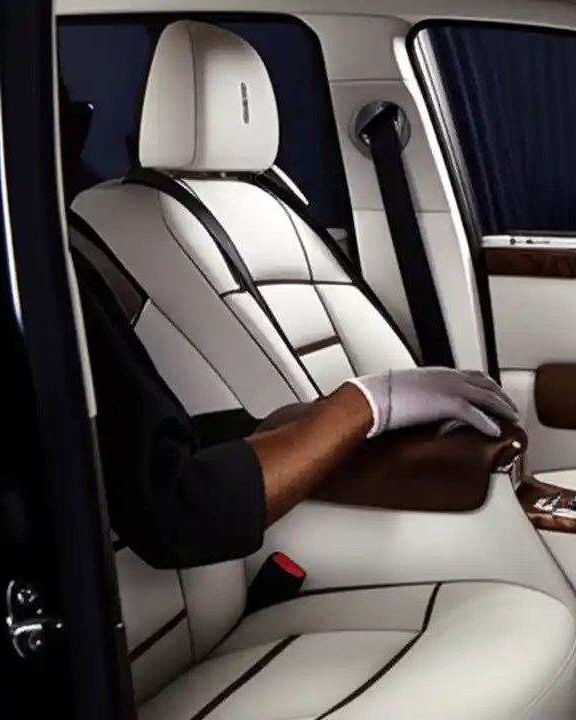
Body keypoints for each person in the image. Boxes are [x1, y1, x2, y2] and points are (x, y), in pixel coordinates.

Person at [62, 85, 517, 571]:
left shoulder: (272, 203)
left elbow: (151, 445)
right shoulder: (30, 281)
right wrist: (365, 405)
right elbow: (175, 511)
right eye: (69, 121)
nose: (78, 139)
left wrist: (312, 418)